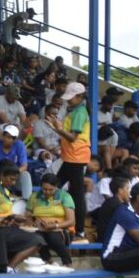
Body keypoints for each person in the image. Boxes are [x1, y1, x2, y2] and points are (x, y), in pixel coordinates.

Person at [48, 82, 91, 241]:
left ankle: (79, 230)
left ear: (79, 97)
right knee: (55, 185)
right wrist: (57, 128)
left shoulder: (79, 112)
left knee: (76, 193)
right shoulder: (74, 110)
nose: (68, 100)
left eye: (71, 98)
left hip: (76, 157)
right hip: (70, 157)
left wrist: (59, 129)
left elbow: (72, 137)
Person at [26, 173, 76, 267]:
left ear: (56, 187)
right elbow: (27, 217)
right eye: (44, 189)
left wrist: (55, 226)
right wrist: (35, 222)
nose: (47, 192)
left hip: (62, 229)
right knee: (37, 238)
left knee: (52, 236)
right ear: (41, 186)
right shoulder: (34, 196)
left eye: (51, 190)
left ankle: (68, 263)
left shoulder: (65, 196)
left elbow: (71, 221)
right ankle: (49, 261)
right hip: (40, 228)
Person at [0, 124, 32, 198]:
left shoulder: (19, 145)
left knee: (26, 175)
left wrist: (12, 176)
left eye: (11, 138)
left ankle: (27, 199)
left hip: (15, 177)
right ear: (2, 136)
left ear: (15, 139)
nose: (7, 139)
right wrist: (4, 176)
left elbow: (24, 166)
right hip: (1, 177)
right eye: (6, 136)